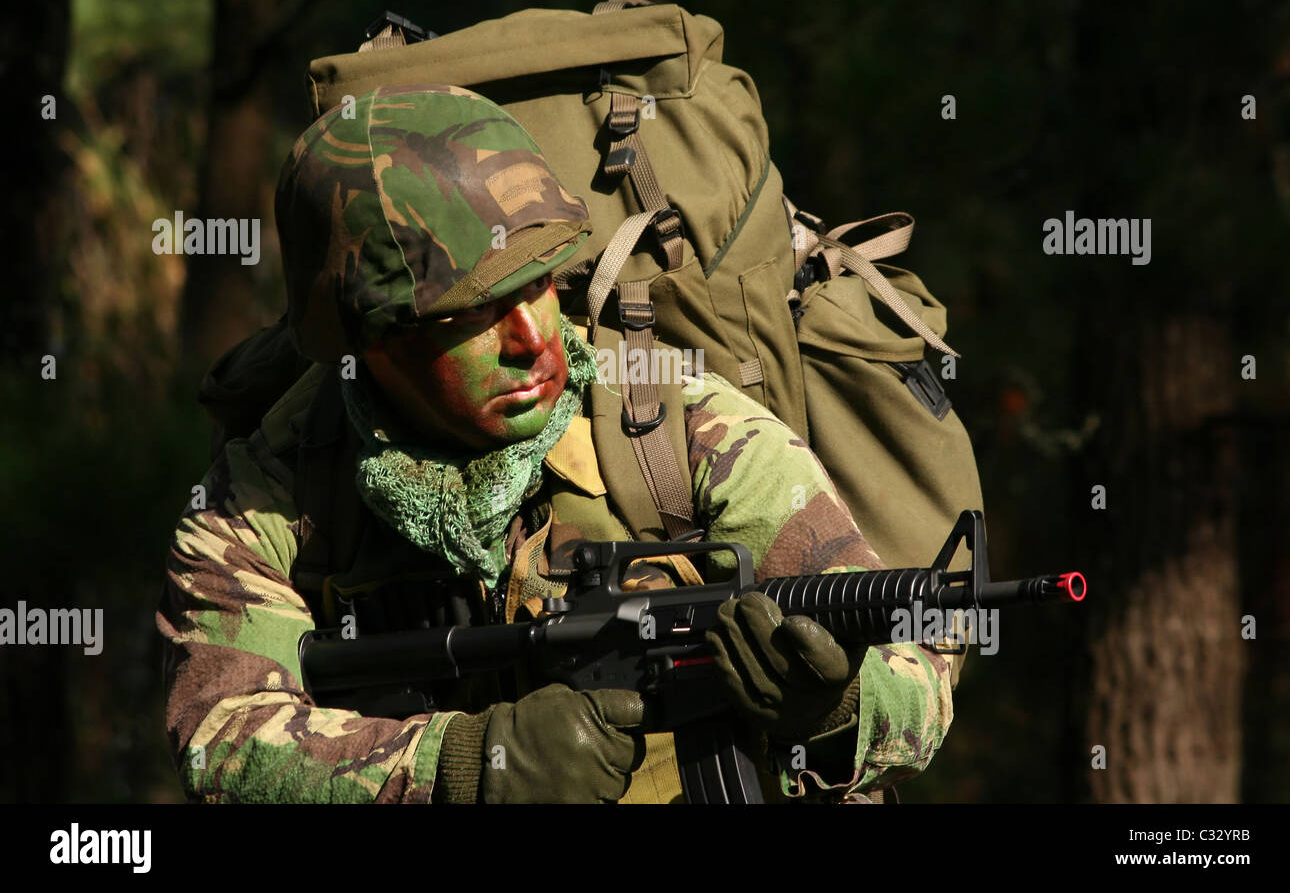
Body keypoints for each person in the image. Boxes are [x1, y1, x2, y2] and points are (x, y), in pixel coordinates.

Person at [157, 83, 955, 803]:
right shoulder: (275, 485)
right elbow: (218, 738)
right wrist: (461, 766)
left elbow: (920, 677)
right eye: (474, 312)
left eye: (542, 281)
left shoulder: (675, 431)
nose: (536, 337)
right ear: (368, 337)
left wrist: (840, 706)